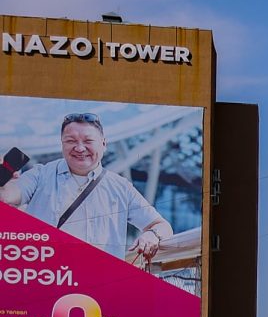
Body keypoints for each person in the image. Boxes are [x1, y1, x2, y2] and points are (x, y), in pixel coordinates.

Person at [0, 112, 175, 265]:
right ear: (62, 144)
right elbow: (8, 196)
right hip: (47, 277)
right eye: (70, 141)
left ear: (103, 144)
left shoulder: (121, 188)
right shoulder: (40, 175)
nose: (79, 148)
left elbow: (162, 225)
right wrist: (4, 181)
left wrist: (152, 235)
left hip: (97, 283)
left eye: (88, 141)